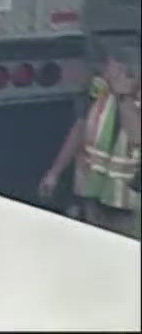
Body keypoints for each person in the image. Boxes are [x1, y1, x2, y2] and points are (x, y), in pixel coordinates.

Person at [41, 54, 141, 236]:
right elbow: (80, 128)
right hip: (92, 193)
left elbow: (137, 137)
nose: (111, 68)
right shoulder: (99, 89)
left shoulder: (130, 95)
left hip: (128, 203)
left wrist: (123, 95)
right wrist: (54, 173)